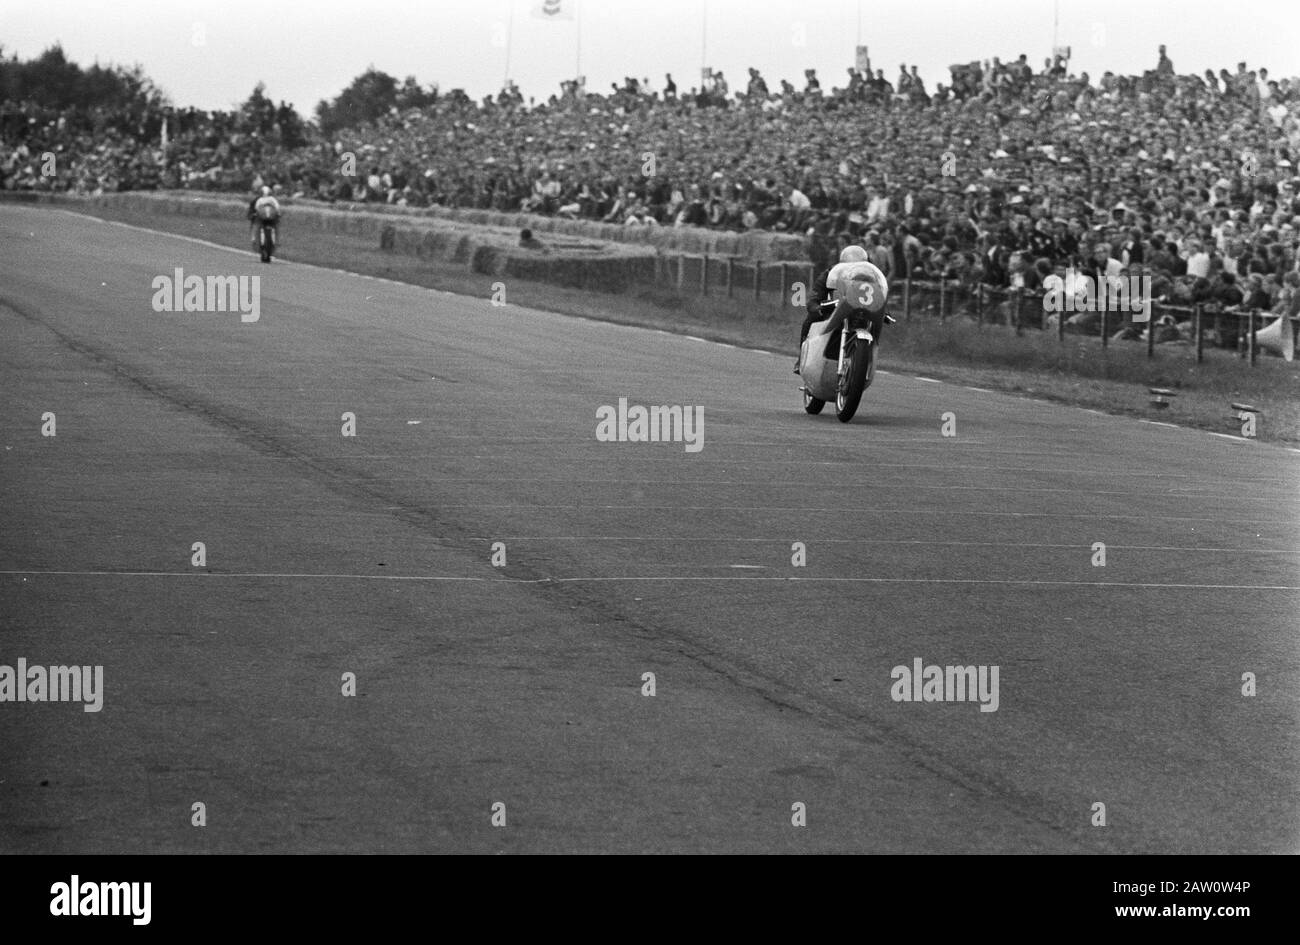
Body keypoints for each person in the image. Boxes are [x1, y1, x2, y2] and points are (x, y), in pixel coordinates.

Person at [249, 185, 282, 254]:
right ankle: (254, 239)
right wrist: (254, 214)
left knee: (276, 226)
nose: (265, 194)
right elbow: (256, 208)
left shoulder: (269, 199)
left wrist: (278, 213)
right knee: (256, 225)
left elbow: (277, 207)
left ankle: (278, 241)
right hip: (262, 218)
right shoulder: (261, 199)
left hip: (271, 217)